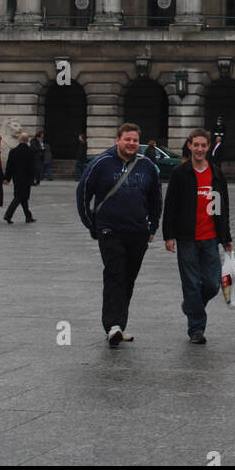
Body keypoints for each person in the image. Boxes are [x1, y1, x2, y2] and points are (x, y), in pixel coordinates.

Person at [76, 122, 162, 346]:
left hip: (138, 232)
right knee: (115, 274)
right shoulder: (101, 164)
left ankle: (119, 325)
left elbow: (156, 199)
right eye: (127, 139)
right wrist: (90, 223)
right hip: (110, 230)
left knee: (128, 279)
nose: (131, 144)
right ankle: (113, 325)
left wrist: (152, 227)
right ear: (117, 140)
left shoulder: (148, 166)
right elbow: (83, 191)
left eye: (135, 140)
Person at [162, 128, 232, 344]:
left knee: (212, 283)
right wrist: (168, 236)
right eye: (196, 145)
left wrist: (226, 237)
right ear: (189, 146)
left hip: (210, 237)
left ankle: (191, 306)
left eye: (203, 145)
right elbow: (170, 206)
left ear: (208, 147)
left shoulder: (216, 174)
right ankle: (196, 329)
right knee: (191, 283)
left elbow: (222, 208)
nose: (200, 149)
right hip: (187, 238)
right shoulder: (180, 173)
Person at [3, 132, 36, 223]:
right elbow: (32, 166)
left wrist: (7, 178)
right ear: (27, 141)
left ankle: (28, 216)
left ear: (19, 140)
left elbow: (9, 166)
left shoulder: (13, 151)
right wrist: (33, 178)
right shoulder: (31, 151)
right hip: (27, 178)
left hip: (16, 178)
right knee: (19, 197)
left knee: (23, 197)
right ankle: (8, 215)